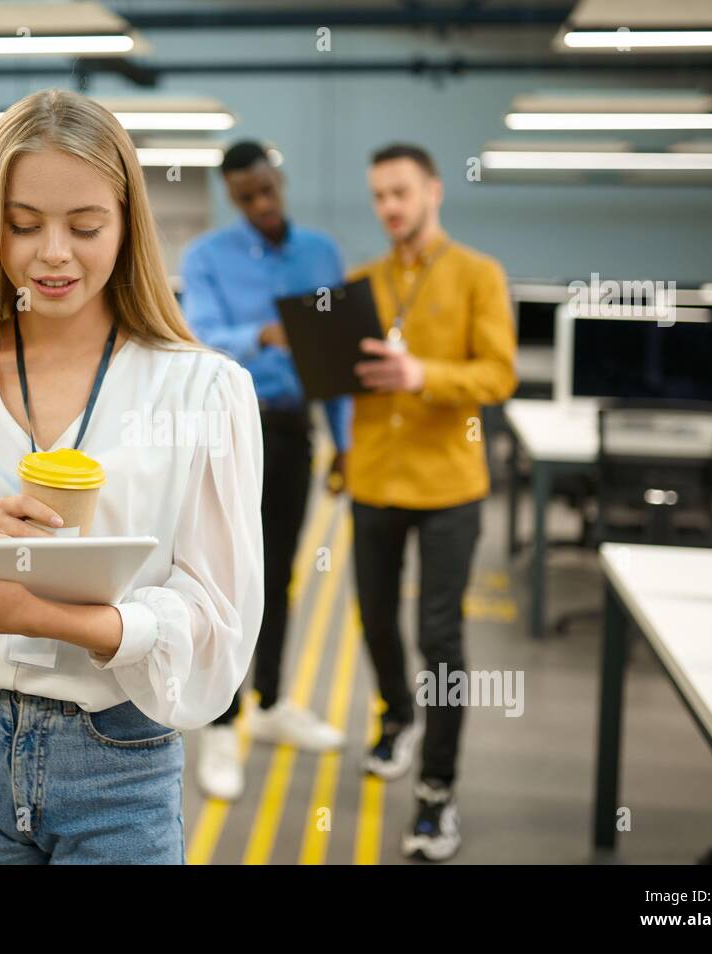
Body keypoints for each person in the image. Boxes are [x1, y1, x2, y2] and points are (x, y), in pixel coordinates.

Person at [0, 89, 265, 864]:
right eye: (23, 225)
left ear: (126, 225)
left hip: (116, 757)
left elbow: (217, 630)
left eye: (85, 227)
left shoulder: (201, 390)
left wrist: (50, 616)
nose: (53, 254)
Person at [347, 143, 516, 861]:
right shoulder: (362, 281)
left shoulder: (479, 275)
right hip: (372, 481)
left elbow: (498, 374)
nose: (390, 207)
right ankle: (399, 715)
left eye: (401, 193)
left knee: (439, 637)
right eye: (380, 195)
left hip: (449, 487)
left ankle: (437, 793)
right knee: (376, 618)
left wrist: (423, 375)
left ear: (433, 192)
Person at [180, 140, 351, 802]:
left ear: (279, 179)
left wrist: (345, 442)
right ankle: (221, 722)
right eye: (246, 196)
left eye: (267, 190)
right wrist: (266, 333)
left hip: (292, 428)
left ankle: (273, 702)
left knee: (278, 572)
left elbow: (335, 360)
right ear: (231, 195)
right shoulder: (208, 257)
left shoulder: (321, 253)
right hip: (230, 430)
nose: (261, 204)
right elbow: (199, 338)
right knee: (227, 573)